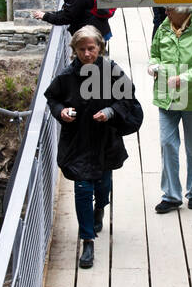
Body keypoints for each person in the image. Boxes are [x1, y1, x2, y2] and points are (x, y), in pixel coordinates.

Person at [45, 26, 143, 269]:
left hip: (105, 139)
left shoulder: (110, 71)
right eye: (81, 49)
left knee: (103, 185)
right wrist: (62, 111)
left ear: (100, 47)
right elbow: (53, 98)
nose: (87, 54)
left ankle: (100, 207)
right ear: (74, 50)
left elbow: (128, 96)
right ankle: (87, 241)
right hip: (77, 141)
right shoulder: (67, 76)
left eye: (91, 48)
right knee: (81, 188)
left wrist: (110, 112)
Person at [149, 5, 192, 213]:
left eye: (170, 9)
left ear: (184, 11)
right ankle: (171, 195)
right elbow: (155, 53)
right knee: (167, 144)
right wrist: (153, 65)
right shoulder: (164, 27)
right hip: (166, 96)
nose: (166, 12)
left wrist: (184, 79)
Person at [32, 0, 112, 43]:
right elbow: (69, 11)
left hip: (92, 36)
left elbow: (67, 17)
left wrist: (45, 16)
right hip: (96, 31)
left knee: (92, 60)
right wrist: (48, 15)